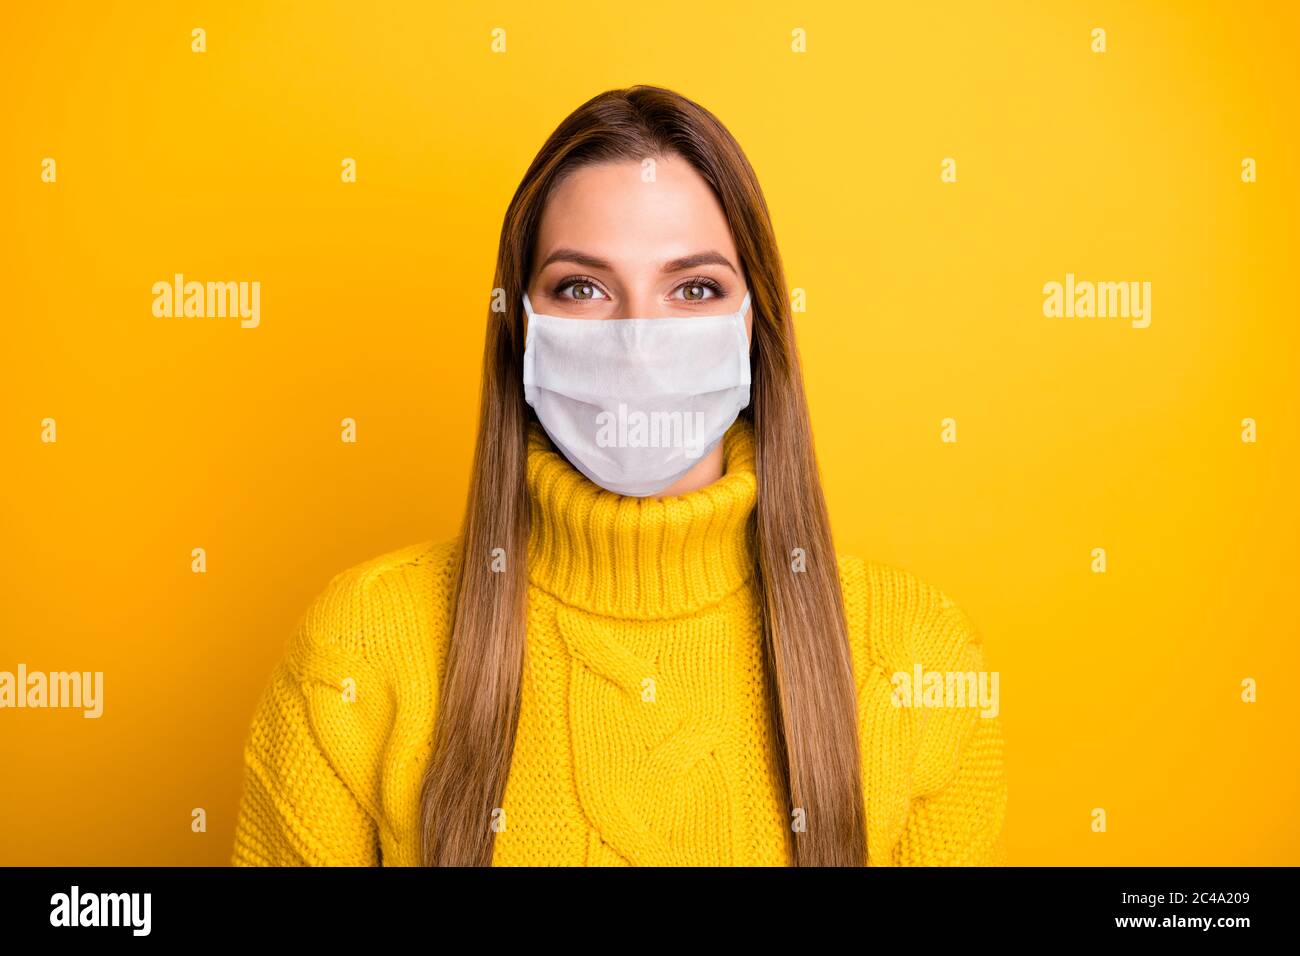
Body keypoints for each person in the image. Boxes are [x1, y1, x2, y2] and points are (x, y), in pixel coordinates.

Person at [232, 84, 1008, 867]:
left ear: (754, 327)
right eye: (582, 287)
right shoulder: (360, 653)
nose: (639, 339)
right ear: (521, 327)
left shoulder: (915, 660)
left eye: (695, 287)